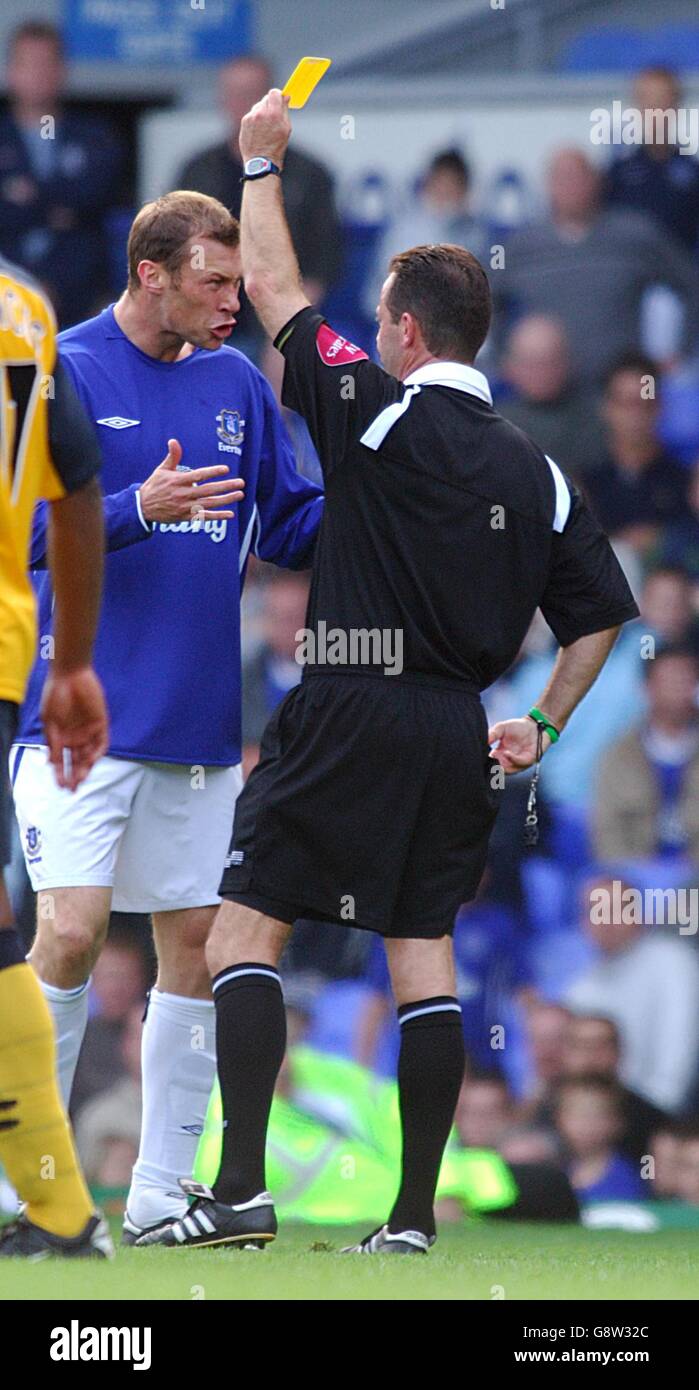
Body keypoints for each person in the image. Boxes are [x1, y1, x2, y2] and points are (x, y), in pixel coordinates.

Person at [138, 89, 638, 1258]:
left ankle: (246, 1188)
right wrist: (544, 730)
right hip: (458, 727)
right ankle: (411, 1218)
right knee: (424, 958)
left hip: (350, 702)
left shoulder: (375, 411)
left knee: (240, 935)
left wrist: (260, 166)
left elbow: (271, 293)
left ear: (406, 333)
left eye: (381, 319)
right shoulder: (541, 471)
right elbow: (601, 621)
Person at [10, 190, 323, 1245]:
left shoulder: (238, 380)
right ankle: (31, 1192)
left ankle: (155, 1195)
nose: (233, 302)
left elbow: (290, 521)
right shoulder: (66, 368)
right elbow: (22, 536)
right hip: (77, 719)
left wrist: (393, 481)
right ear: (153, 273)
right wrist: (138, 506)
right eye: (215, 282)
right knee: (70, 928)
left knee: (191, 944)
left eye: (237, 284)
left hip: (196, 727)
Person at [0, 255, 112, 1259]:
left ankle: (59, 1212)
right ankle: (58, 1210)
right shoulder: (24, 312)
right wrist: (70, 664)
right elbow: (78, 491)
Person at [178, 54, 342, 356]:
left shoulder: (310, 175)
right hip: (205, 314)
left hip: (277, 316)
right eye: (236, 94)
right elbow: (176, 252)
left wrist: (289, 333)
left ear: (272, 100)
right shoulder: (196, 171)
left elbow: (323, 262)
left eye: (253, 95)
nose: (244, 104)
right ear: (222, 100)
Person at [494, 148, 699, 385]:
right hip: (544, 400)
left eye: (578, 177)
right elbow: (485, 301)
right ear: (548, 185)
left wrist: (681, 353)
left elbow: (690, 283)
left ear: (597, 182)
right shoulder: (520, 246)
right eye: (562, 178)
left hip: (619, 400)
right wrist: (504, 358)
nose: (571, 187)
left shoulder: (635, 235)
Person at [0, 21, 125, 326]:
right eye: (29, 64)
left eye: (47, 63)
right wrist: (59, 208)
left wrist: (28, 199)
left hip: (82, 297)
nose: (39, 74)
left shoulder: (96, 136)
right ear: (10, 71)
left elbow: (97, 200)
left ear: (62, 70)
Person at [565, 875, 699, 1112]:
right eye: (596, 912)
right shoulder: (581, 988)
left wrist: (651, 1115)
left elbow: (679, 1053)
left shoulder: (673, 961)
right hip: (604, 1115)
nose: (605, 921)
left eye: (616, 910)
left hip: (663, 1112)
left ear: (639, 915)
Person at [593, 646, 699, 864]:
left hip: (695, 871)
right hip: (637, 871)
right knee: (603, 894)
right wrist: (630, 872)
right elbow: (607, 830)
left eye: (686, 681)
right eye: (669, 681)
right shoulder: (619, 755)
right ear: (647, 688)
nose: (678, 689)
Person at [362, 148, 491, 326]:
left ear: (464, 191)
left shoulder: (477, 235)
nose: (444, 194)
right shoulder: (403, 230)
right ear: (427, 184)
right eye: (439, 184)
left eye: (452, 187)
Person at [583, 353, 688, 554]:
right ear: (606, 408)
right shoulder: (586, 483)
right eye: (625, 404)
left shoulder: (684, 482)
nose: (636, 415)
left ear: (659, 407)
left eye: (644, 404)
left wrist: (661, 539)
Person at [497, 315, 605, 479]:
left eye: (549, 361)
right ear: (509, 367)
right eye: (530, 363)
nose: (541, 372)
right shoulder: (492, 425)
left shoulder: (599, 420)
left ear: (568, 363)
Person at [606, 67, 699, 253]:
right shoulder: (616, 175)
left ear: (676, 106)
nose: (656, 110)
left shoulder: (693, 174)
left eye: (663, 100)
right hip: (632, 275)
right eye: (648, 101)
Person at [554, 1076, 647, 1204]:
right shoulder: (554, 1169)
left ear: (618, 1122)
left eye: (597, 1116)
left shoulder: (628, 1177)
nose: (586, 1125)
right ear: (559, 1119)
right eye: (578, 1115)